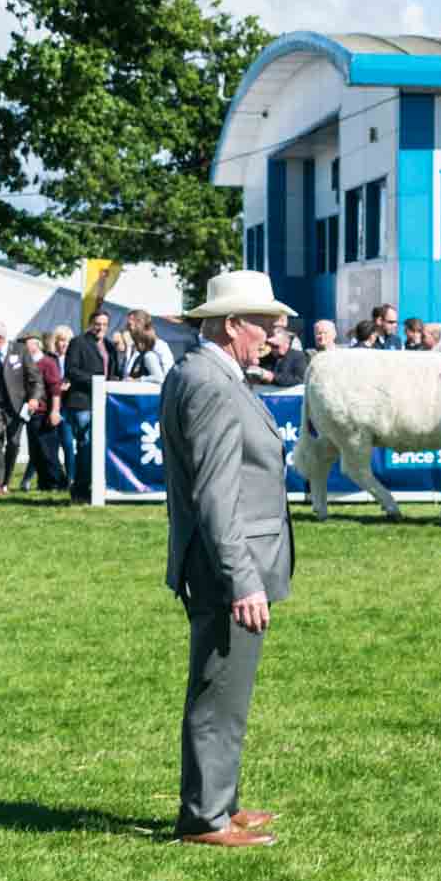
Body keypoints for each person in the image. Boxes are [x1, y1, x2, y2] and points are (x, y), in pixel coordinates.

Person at [162, 270, 300, 848]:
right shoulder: (212, 383)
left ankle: (221, 801)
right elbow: (215, 494)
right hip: (229, 566)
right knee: (220, 693)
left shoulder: (210, 374)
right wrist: (243, 580)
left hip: (228, 559)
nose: (275, 332)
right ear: (231, 324)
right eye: (265, 322)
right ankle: (206, 819)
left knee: (226, 690)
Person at [63, 310, 113, 501]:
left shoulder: (109, 345)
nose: (100, 328)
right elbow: (71, 370)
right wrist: (96, 381)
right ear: (91, 324)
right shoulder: (78, 342)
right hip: (83, 402)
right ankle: (80, 489)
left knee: (98, 446)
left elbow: (112, 371)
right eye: (97, 323)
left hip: (104, 402)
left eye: (104, 324)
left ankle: (95, 487)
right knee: (86, 446)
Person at [0, 319, 46, 494]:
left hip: (17, 406)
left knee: (14, 443)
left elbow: (36, 379)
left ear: (1, 338)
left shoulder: (20, 351)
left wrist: (34, 399)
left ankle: (6, 480)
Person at [22, 330, 70, 491]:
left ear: (36, 344)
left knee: (48, 451)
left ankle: (58, 483)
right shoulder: (26, 363)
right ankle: (45, 483)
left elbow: (55, 389)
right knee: (36, 451)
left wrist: (55, 411)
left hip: (44, 413)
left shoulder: (47, 363)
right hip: (31, 414)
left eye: (26, 342)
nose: (23, 346)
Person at [124, 311, 174, 382]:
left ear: (140, 325)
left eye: (129, 325)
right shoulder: (134, 348)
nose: (127, 328)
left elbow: (167, 374)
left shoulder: (159, 346)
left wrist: (138, 380)